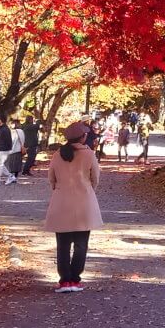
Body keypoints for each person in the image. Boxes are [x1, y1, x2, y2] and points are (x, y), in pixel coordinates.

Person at [43, 121, 103, 293]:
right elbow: (95, 178)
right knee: (81, 244)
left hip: (61, 202)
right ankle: (75, 279)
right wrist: (88, 190)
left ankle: (64, 281)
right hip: (84, 202)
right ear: (83, 137)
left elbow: (51, 178)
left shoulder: (58, 154)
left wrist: (59, 190)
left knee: (62, 245)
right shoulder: (89, 154)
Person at [0, 117, 19, 186]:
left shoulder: (5, 129)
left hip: (4, 149)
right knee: (0, 164)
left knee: (0, 165)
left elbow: (8, 141)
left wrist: (7, 149)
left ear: (0, 121)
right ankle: (10, 176)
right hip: (0, 148)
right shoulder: (0, 129)